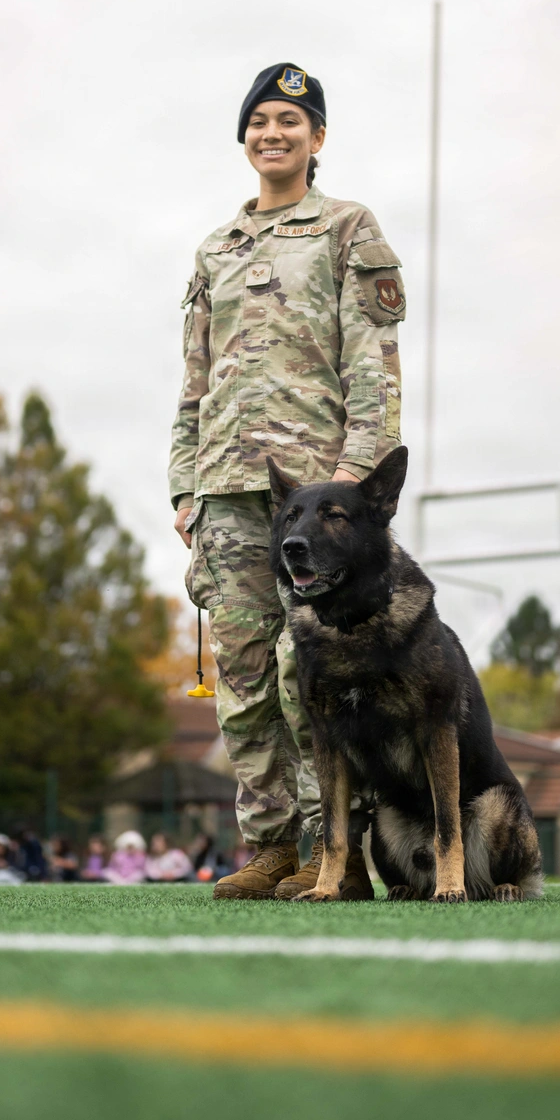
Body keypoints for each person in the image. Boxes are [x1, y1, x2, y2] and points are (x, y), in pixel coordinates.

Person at [169, 64, 403, 901]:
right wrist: (184, 488)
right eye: (260, 121)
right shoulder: (216, 249)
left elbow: (374, 368)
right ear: (245, 137)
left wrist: (351, 481)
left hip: (317, 496)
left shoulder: (346, 229)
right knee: (241, 682)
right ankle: (269, 847)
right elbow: (195, 382)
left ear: (317, 138)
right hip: (228, 492)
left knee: (315, 678)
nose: (273, 133)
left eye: (291, 121)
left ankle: (333, 851)